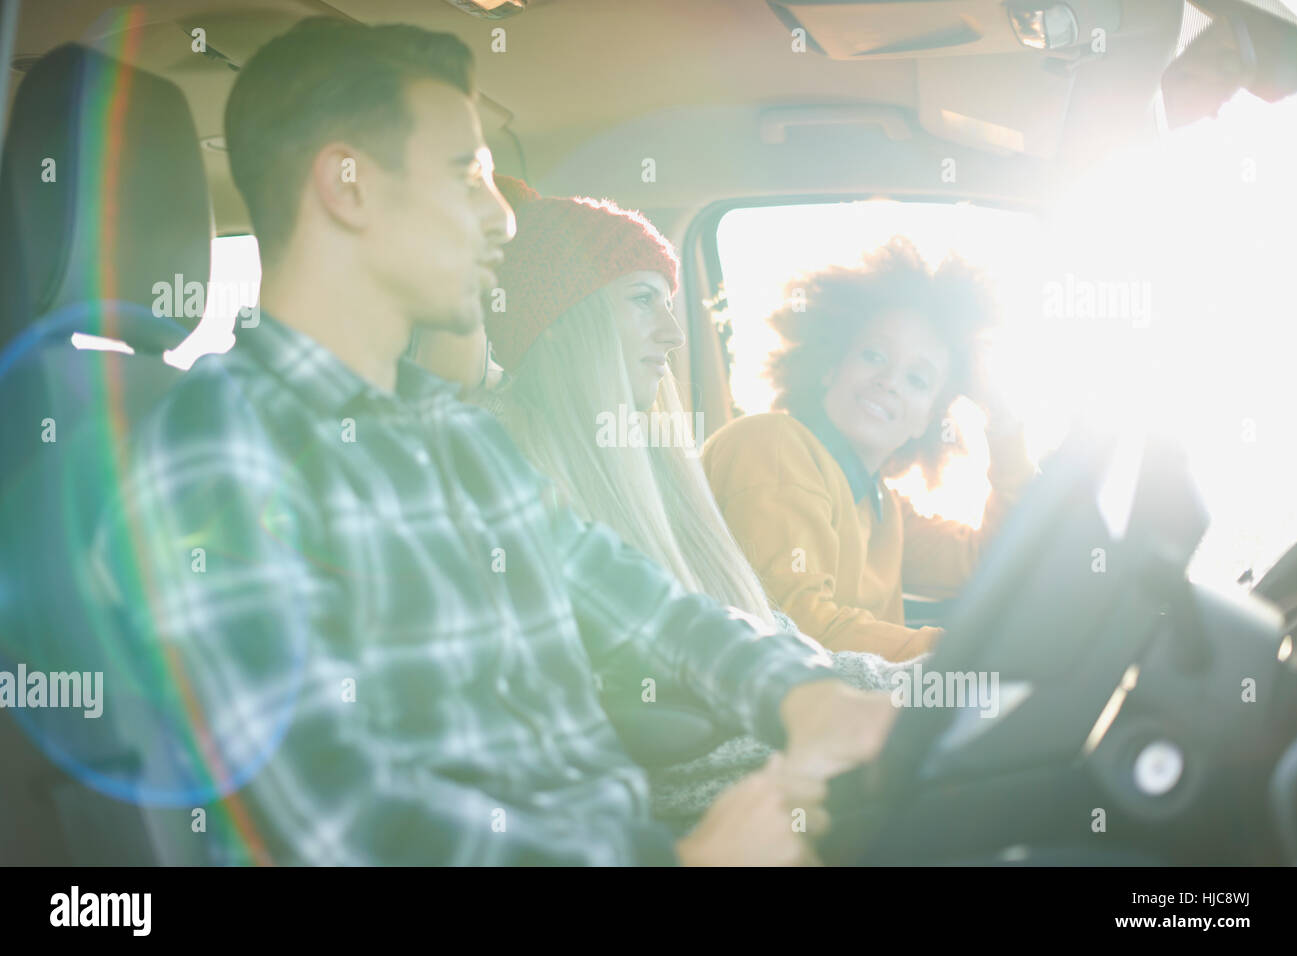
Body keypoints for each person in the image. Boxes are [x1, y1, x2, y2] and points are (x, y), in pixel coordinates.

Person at [89, 17, 894, 866]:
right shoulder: (214, 451)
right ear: (348, 186)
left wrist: (807, 694)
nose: (504, 220)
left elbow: (648, 607)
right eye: (466, 174)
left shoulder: (458, 435)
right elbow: (326, 821)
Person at [448, 176, 918, 827]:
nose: (672, 336)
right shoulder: (505, 476)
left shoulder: (643, 472)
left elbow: (759, 635)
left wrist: (919, 684)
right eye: (643, 300)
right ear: (560, 319)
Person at [702, 238, 1037, 661]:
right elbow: (803, 627)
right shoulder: (773, 448)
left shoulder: (881, 506)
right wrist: (963, 653)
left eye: (917, 379)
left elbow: (987, 560)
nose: (891, 380)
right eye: (874, 355)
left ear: (925, 421)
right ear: (830, 369)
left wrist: (1001, 419)